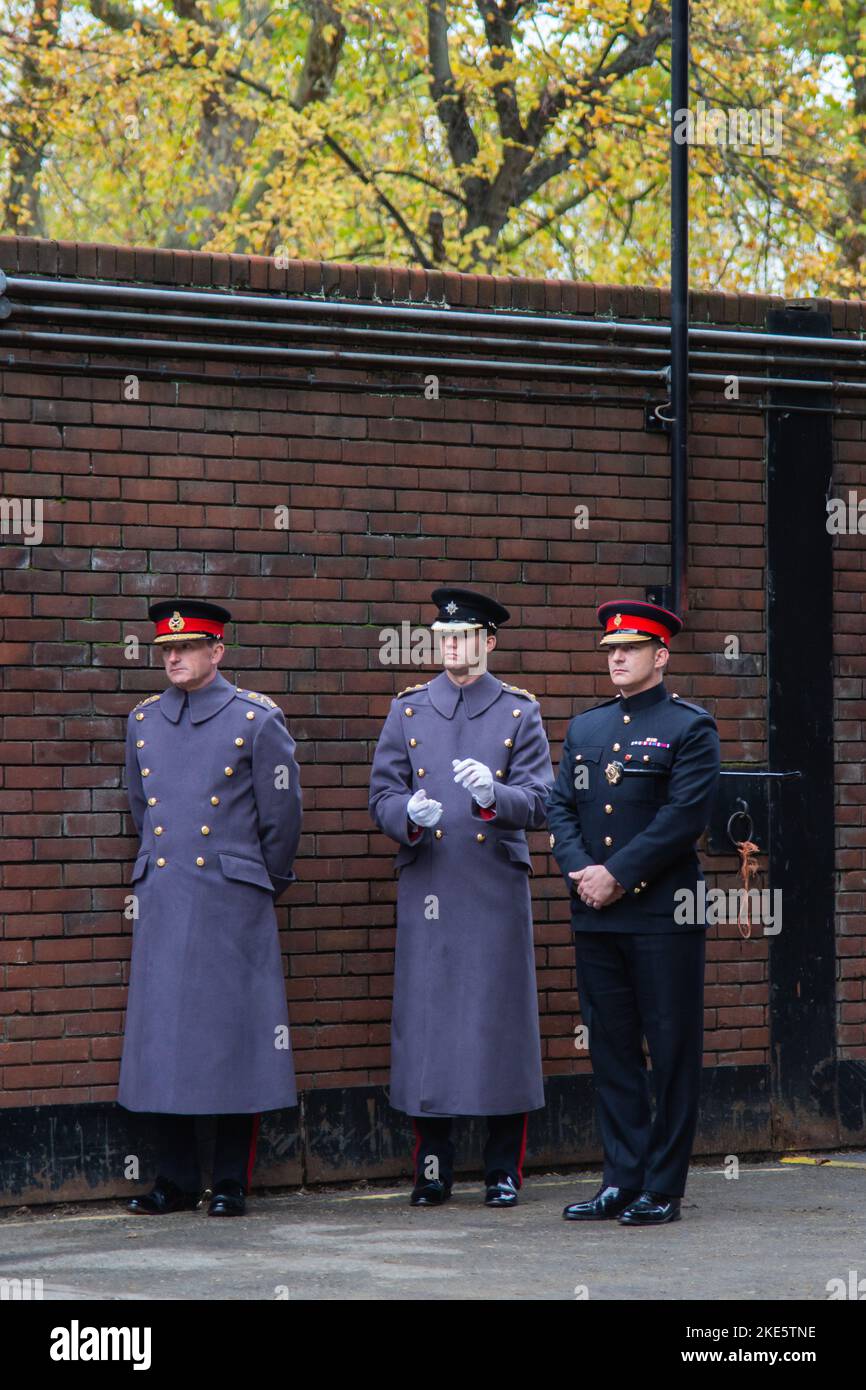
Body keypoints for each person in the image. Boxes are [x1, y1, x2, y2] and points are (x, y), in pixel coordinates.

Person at [369, 587, 553, 1208]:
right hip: (430, 880)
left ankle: (503, 1169)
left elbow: (541, 802)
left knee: (500, 1026)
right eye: (443, 637)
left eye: (464, 636)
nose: (451, 646)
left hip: (493, 885)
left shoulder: (520, 712)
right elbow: (381, 796)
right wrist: (408, 815)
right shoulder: (409, 710)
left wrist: (493, 795)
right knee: (428, 1027)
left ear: (488, 642)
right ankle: (432, 1167)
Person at [118, 600, 303, 1217]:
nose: (173, 657)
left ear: (216, 651)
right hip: (166, 898)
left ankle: (229, 1181)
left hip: (231, 899)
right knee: (165, 1039)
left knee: (236, 1038)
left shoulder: (256, 719)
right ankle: (172, 1181)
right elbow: (142, 808)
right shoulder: (143, 721)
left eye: (187, 647)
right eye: (166, 649)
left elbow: (282, 819)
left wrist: (257, 883)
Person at [547, 599, 720, 1226]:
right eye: (611, 650)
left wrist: (616, 875)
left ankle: (662, 1186)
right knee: (612, 1049)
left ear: (661, 655)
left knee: (671, 1050)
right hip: (594, 913)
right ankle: (621, 1179)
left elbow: (684, 819)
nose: (617, 657)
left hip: (660, 916)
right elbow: (559, 806)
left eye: (631, 648)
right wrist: (581, 871)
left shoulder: (689, 727)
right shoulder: (587, 729)